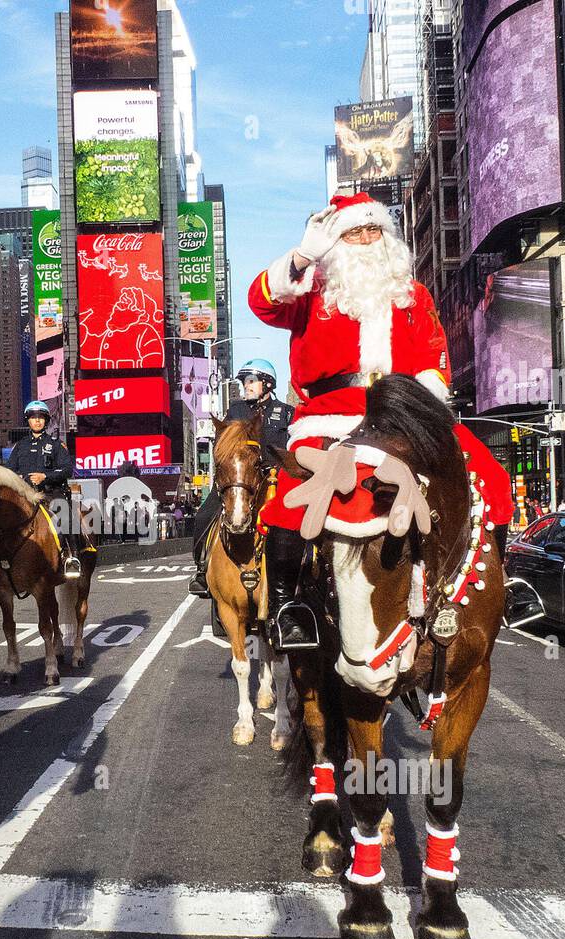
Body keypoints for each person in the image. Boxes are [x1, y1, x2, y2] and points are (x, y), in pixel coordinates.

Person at [248, 192, 514, 649]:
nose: (366, 240)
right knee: (291, 498)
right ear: (335, 242)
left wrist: (427, 403)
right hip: (331, 413)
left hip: (405, 408)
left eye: (373, 230)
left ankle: (501, 585)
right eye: (354, 232)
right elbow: (263, 303)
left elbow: (434, 357)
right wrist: (301, 256)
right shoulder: (311, 290)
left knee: (489, 473)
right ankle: (288, 608)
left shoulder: (413, 295)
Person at [188, 359, 294, 597]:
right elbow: (223, 443)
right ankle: (201, 569)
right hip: (239, 480)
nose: (246, 386)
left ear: (267, 384)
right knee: (204, 515)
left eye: (250, 381)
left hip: (275, 482)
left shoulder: (286, 413)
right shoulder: (236, 410)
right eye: (244, 382)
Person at [6, 401, 81, 579]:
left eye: (40, 418)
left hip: (51, 492)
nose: (37, 421)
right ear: (28, 421)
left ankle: (72, 557)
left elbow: (66, 469)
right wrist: (24, 479)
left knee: (65, 513)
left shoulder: (56, 445)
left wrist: (45, 476)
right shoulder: (20, 446)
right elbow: (9, 471)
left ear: (46, 421)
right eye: (33, 418)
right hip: (25, 494)